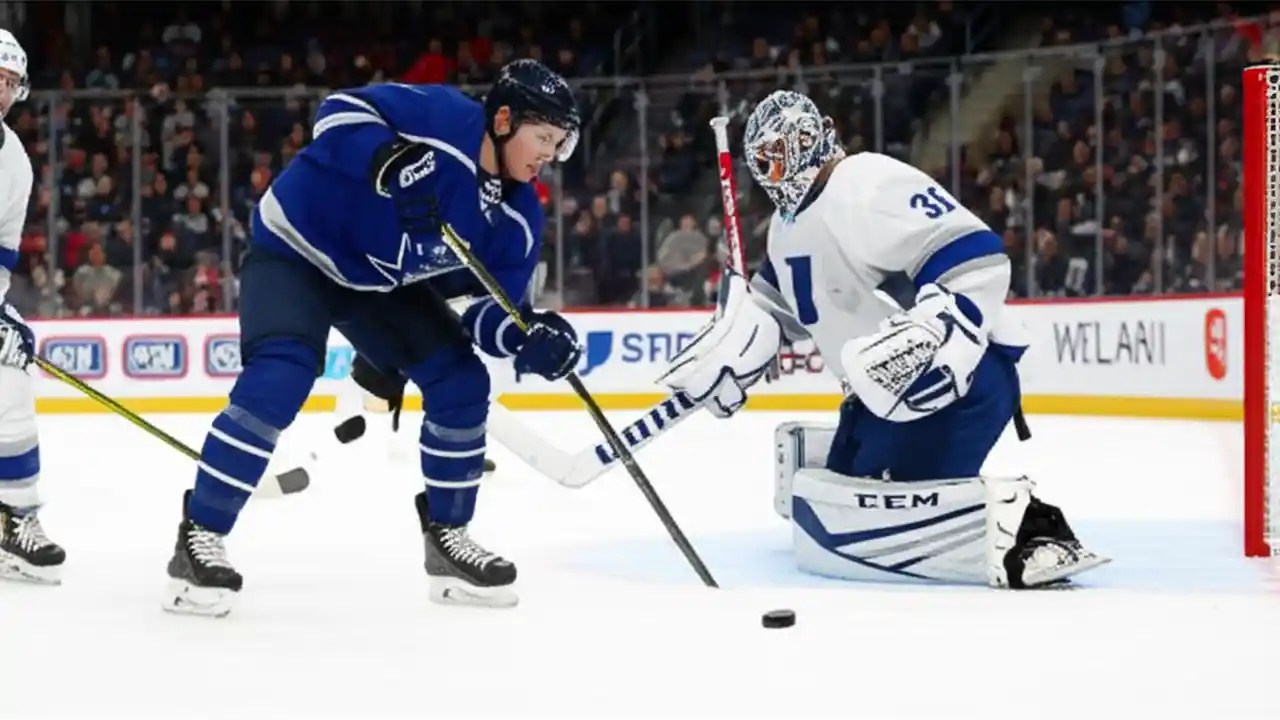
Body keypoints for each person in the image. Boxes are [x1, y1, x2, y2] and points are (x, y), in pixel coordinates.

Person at [165, 60, 582, 617]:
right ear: (504, 120)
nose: (548, 154)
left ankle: (449, 541)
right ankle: (199, 538)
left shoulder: (518, 216)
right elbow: (339, 110)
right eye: (543, 137)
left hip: (374, 283)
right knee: (282, 374)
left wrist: (527, 336)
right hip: (296, 249)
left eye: (558, 143)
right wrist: (387, 158)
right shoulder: (446, 118)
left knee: (461, 382)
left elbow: (487, 310)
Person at [658, 90, 1108, 589]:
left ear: (806, 142)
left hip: (956, 383)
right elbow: (781, 306)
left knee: (893, 505)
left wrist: (943, 330)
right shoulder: (785, 229)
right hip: (879, 396)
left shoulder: (866, 182)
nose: (771, 174)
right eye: (763, 163)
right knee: (842, 496)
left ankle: (1033, 534)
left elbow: (975, 254)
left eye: (777, 157)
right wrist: (738, 343)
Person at [0, 28, 66, 584]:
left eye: (10, 82)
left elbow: (2, 252)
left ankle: (15, 519)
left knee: (11, 371)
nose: (1, 90)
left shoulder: (15, 163)